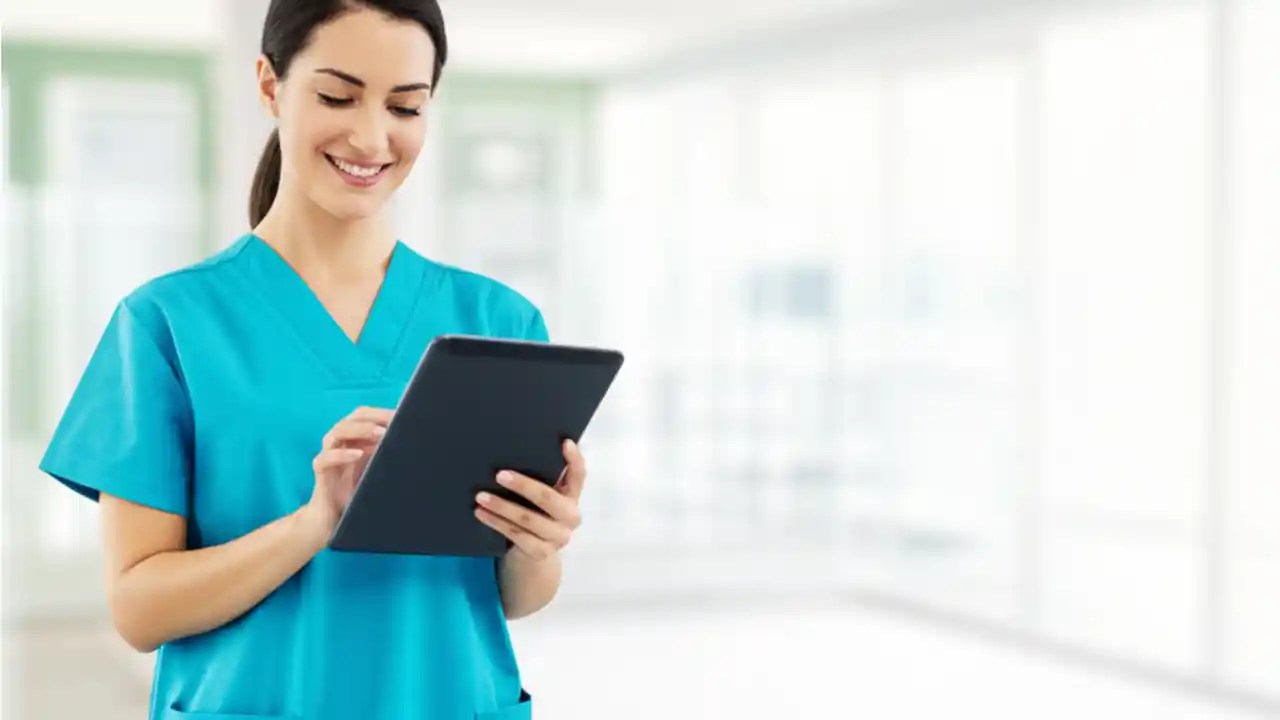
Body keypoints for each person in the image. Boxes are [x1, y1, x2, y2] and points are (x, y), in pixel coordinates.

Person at [37, 2, 586, 718]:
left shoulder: (500, 323)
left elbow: (513, 597)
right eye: (337, 96)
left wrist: (537, 545)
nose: (372, 137)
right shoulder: (168, 324)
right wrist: (312, 526)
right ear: (271, 86)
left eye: (405, 106)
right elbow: (139, 610)